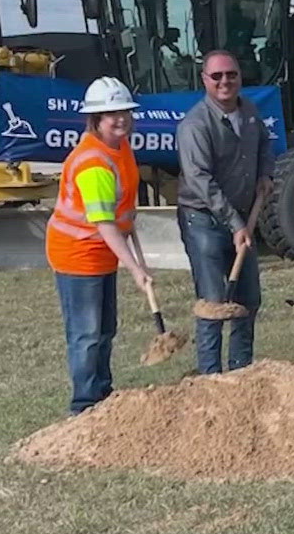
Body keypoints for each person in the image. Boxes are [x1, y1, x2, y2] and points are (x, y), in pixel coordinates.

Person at [45, 77, 153, 415]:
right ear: (96, 119)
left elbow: (121, 207)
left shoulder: (120, 147)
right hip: (78, 252)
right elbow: (103, 223)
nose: (120, 119)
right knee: (87, 333)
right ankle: (84, 405)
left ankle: (103, 394)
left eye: (124, 112)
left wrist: (130, 221)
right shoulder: (93, 163)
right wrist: (136, 268)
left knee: (106, 328)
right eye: (111, 114)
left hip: (102, 251)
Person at [176, 49, 274, 374]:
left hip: (242, 217)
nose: (224, 81)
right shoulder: (195, 125)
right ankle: (210, 377)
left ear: (239, 77)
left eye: (230, 74)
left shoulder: (249, 111)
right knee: (214, 302)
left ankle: (241, 370)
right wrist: (235, 224)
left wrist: (265, 174)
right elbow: (200, 180)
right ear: (204, 80)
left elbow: (264, 144)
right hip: (202, 218)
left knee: (248, 298)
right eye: (216, 76)